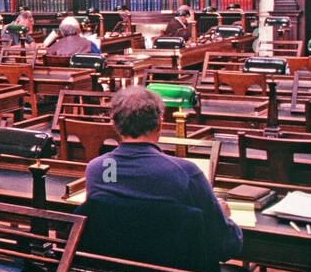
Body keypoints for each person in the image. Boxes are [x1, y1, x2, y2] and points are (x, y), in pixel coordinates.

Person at [83, 86, 242, 262]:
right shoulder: (185, 173)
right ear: (160, 124)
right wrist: (223, 215)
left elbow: (114, 202)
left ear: (114, 125)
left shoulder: (100, 169)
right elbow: (227, 245)